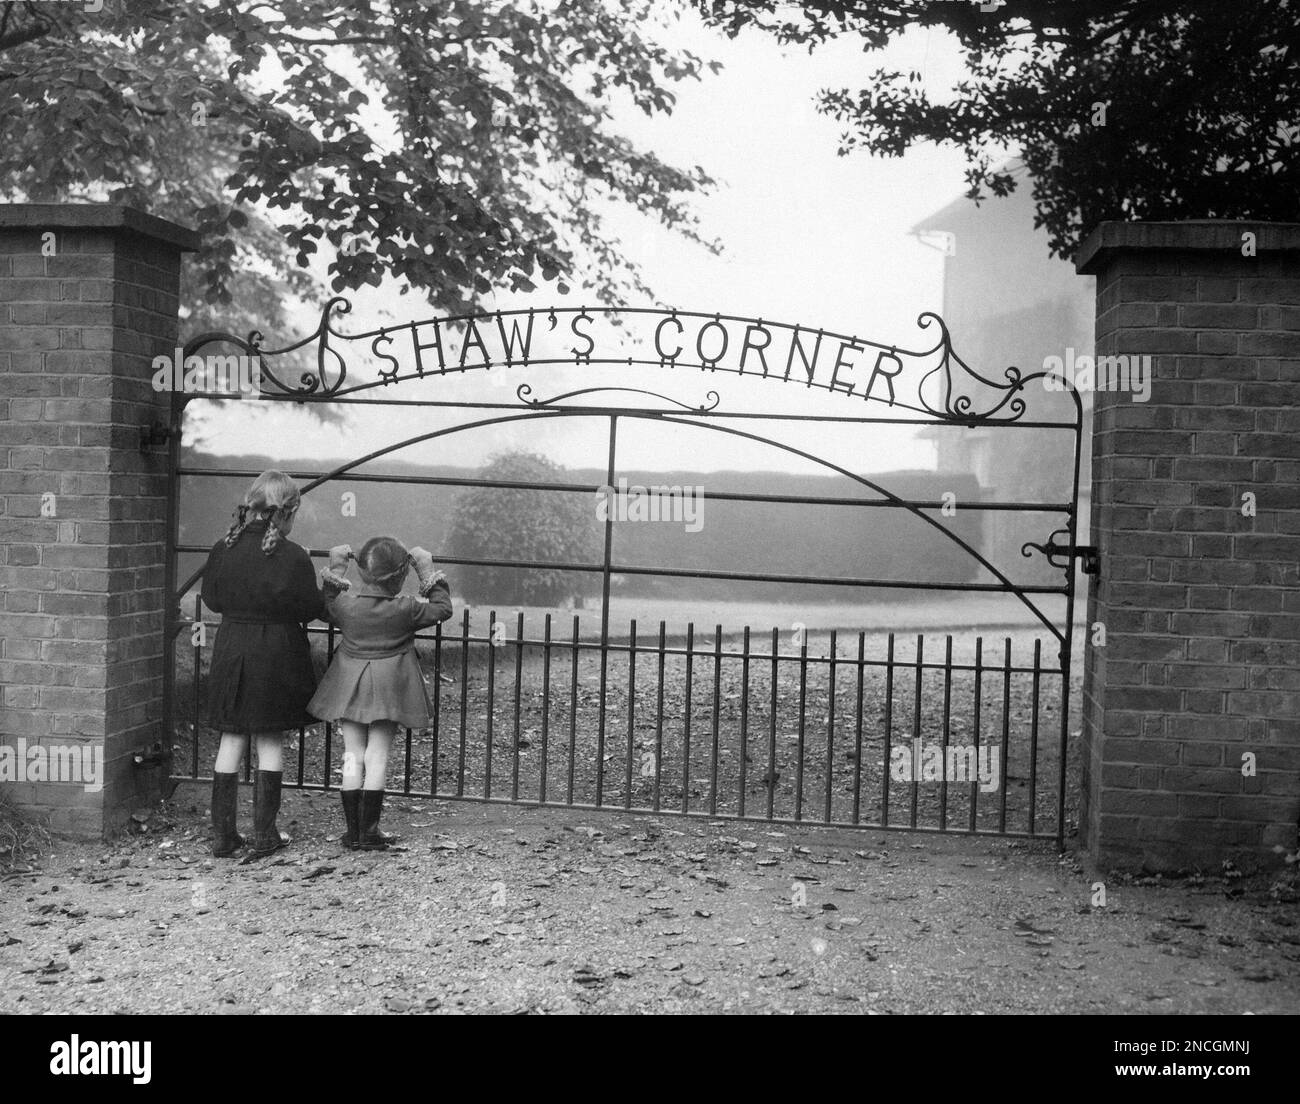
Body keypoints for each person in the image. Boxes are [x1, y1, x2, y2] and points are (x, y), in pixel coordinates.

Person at [201, 470, 325, 858]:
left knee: (232, 737)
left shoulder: (223, 548)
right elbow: (308, 608)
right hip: (275, 652)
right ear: (288, 511)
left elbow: (213, 600)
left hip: (232, 647)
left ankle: (223, 837)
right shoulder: (294, 555)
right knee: (269, 738)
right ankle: (264, 836)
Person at [309, 536, 453, 850]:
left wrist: (336, 566)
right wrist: (427, 570)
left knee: (351, 755)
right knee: (377, 756)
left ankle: (352, 832)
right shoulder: (406, 608)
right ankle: (370, 832)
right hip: (389, 688)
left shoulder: (347, 606)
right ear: (401, 577)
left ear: (361, 572)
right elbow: (443, 609)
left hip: (348, 686)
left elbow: (325, 605)